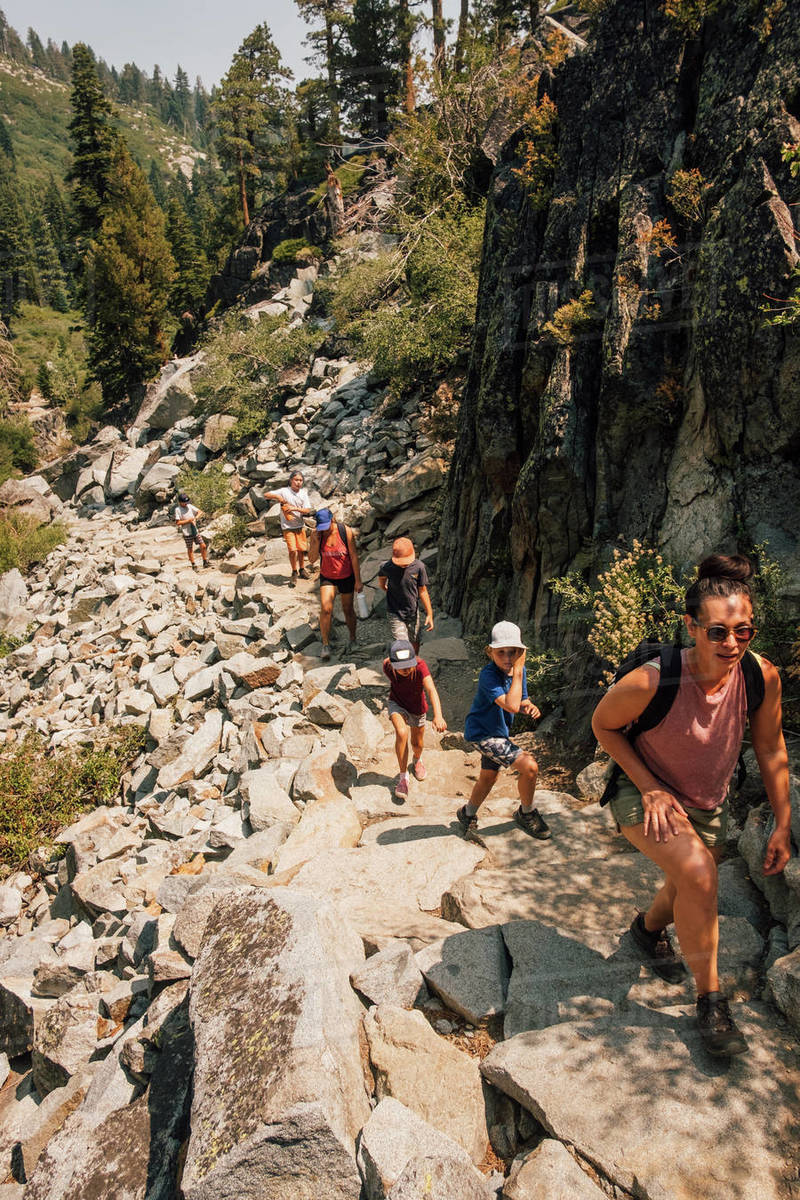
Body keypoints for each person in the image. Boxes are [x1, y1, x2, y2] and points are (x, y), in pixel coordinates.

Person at [591, 554, 791, 1057]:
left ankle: (647, 929)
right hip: (644, 791)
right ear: (691, 626)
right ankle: (712, 1004)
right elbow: (603, 725)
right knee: (700, 875)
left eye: (743, 632)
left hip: (707, 803)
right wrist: (650, 786)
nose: (731, 644)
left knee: (687, 880)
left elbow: (770, 749)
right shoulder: (654, 679)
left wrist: (782, 825)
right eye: (718, 632)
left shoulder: (760, 677)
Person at [457, 621, 550, 840]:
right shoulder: (489, 676)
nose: (508, 659)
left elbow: (520, 700)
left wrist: (529, 706)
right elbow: (510, 705)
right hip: (482, 734)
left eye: (513, 653)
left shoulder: (519, 671)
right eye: (501, 653)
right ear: (490, 652)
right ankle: (526, 813)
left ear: (521, 653)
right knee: (529, 767)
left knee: (488, 777)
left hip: (497, 733)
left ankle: (467, 813)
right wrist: (518, 673)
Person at [383, 638, 447, 800]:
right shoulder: (387, 666)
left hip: (417, 709)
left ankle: (417, 760)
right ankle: (403, 777)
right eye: (400, 667)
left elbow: (431, 690)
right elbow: (387, 660)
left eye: (408, 665)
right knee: (402, 732)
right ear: (393, 664)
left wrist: (438, 715)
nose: (405, 670)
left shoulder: (420, 667)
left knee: (417, 744)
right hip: (396, 704)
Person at [308, 508, 362, 661]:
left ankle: (352, 639)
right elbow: (311, 559)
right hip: (327, 576)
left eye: (326, 526)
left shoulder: (345, 531)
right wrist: (316, 542)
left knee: (348, 609)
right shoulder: (316, 534)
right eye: (321, 527)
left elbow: (353, 556)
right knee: (326, 608)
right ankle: (325, 644)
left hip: (346, 576)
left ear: (332, 520)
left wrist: (358, 580)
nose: (324, 529)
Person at [378, 537, 434, 652]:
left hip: (412, 611)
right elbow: (382, 577)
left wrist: (429, 613)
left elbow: (422, 590)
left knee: (414, 640)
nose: (403, 565)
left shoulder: (419, 567)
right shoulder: (386, 567)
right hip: (394, 612)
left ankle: (415, 661)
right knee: (402, 644)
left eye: (405, 563)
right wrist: (383, 587)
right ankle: (405, 665)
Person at [264, 471, 314, 586]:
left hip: (299, 525)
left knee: (301, 549)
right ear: (291, 480)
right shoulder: (284, 491)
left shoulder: (303, 493)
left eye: (300, 480)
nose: (298, 482)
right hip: (287, 527)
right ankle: (294, 571)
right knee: (292, 550)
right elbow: (266, 494)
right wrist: (278, 497)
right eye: (296, 480)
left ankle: (302, 569)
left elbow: (307, 510)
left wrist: (293, 509)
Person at [174, 492, 209, 569]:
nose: (186, 503)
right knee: (190, 548)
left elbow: (200, 512)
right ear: (180, 502)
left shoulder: (189, 506)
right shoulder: (178, 510)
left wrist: (195, 518)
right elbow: (178, 522)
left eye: (187, 502)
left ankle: (205, 561)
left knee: (203, 545)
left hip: (194, 529)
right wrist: (188, 521)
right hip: (187, 532)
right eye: (184, 502)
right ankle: (193, 564)